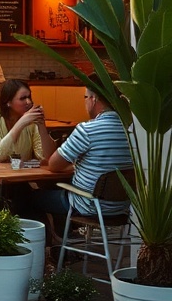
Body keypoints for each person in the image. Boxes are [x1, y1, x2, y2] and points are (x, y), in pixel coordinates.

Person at [34, 78, 133, 226]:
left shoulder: (87, 130)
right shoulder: (129, 130)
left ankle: (48, 239)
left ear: (94, 99)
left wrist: (74, 165)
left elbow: (53, 164)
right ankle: (61, 237)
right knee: (54, 190)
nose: (85, 102)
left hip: (89, 206)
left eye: (85, 97)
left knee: (29, 198)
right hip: (122, 207)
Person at [0, 78, 56, 162]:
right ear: (8, 102)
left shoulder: (31, 121)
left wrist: (42, 126)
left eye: (29, 97)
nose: (29, 102)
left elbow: (47, 157)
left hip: (22, 170)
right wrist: (21, 123)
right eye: (23, 98)